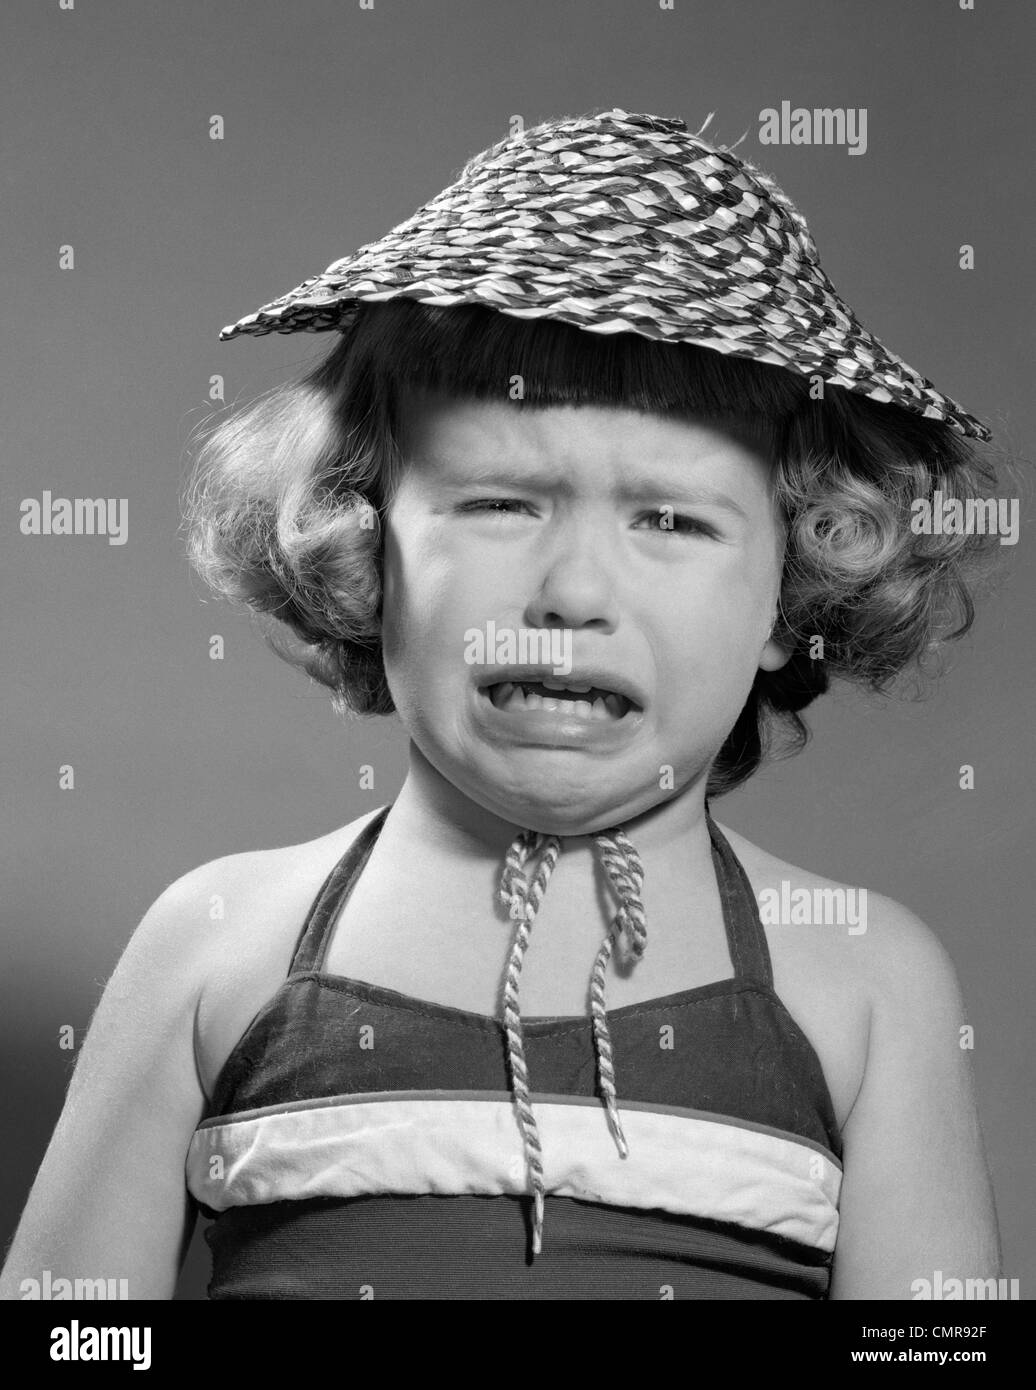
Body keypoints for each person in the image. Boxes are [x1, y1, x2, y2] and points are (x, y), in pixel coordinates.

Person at [1, 109, 1006, 1300]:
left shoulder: (861, 979)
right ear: (362, 550)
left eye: (672, 519)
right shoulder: (220, 942)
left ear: (793, 592)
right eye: (498, 503)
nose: (573, 590)